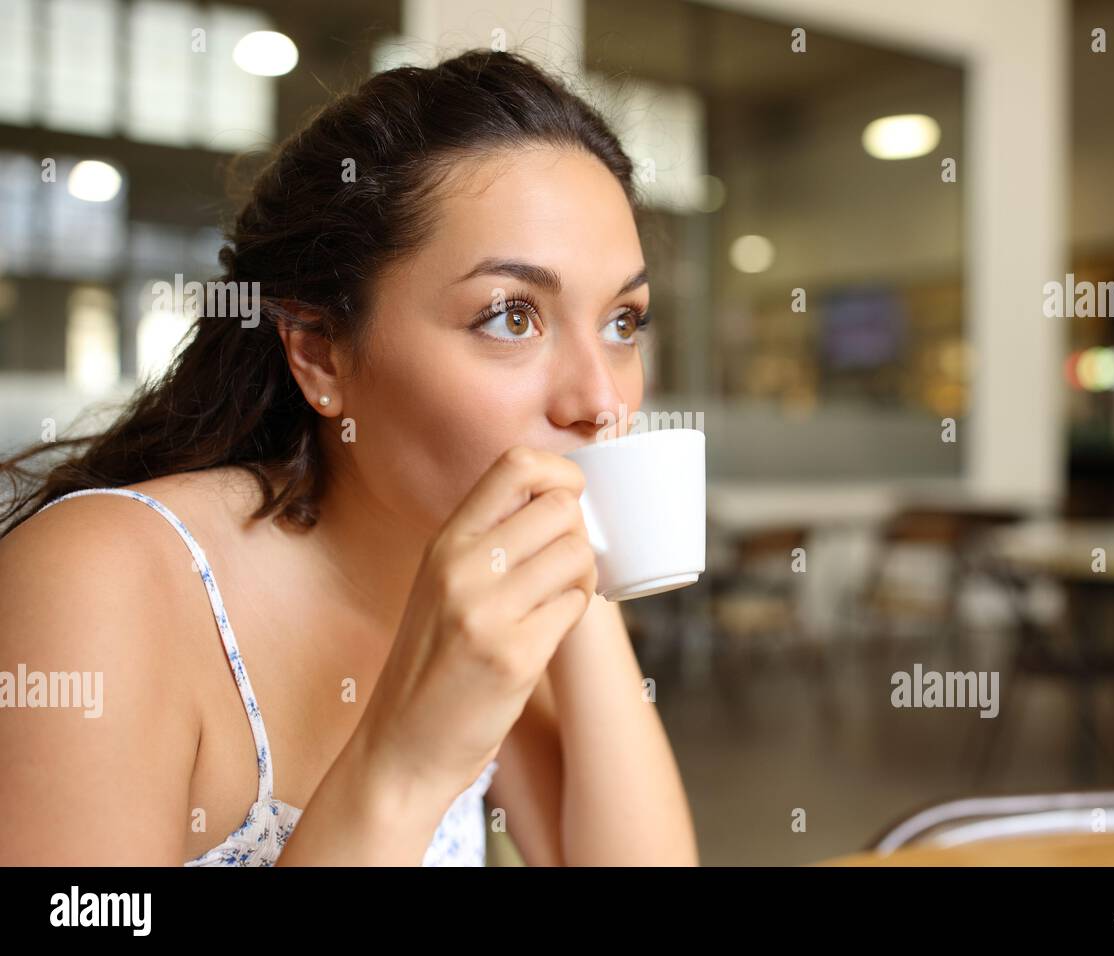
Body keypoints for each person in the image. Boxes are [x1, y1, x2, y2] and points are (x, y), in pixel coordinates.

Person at [0, 48, 698, 866]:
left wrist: (595, 568)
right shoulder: (99, 580)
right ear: (321, 354)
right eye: (512, 316)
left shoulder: (471, 572)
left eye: (623, 322)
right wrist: (404, 762)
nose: (602, 402)